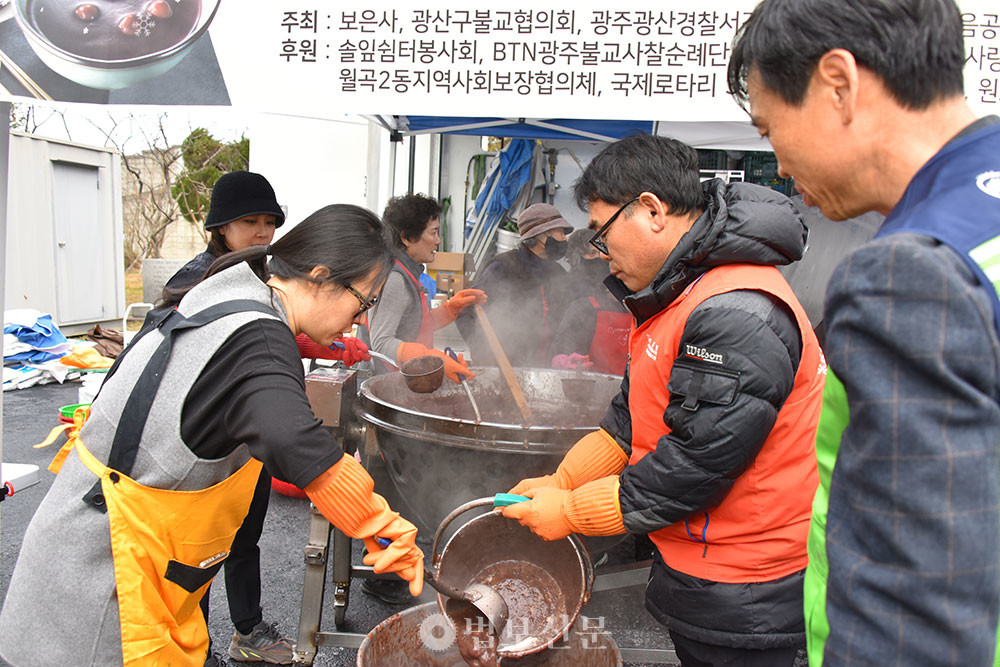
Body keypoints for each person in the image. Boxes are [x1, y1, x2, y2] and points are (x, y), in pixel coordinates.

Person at [0, 205, 424, 667]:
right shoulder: (258, 332)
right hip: (98, 587)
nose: (362, 319)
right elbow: (290, 437)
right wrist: (375, 521)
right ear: (320, 276)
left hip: (131, 565)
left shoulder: (238, 286)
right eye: (364, 302)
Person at [728, 1, 1000, 664]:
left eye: (770, 129)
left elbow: (914, 618)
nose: (781, 167)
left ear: (838, 84)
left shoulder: (911, 274)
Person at [502, 133, 826, 666]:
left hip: (746, 581)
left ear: (651, 211)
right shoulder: (682, 292)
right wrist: (563, 479)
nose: (602, 258)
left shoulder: (733, 309)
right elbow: (628, 421)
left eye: (602, 235)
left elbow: (697, 463)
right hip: (705, 560)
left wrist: (573, 511)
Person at [160, 171, 369, 664]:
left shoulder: (264, 274)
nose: (262, 231)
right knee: (200, 549)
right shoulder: (196, 283)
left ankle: (247, 632)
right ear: (221, 227)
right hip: (207, 437)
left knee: (245, 535)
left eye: (269, 221)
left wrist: (332, 345)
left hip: (248, 434)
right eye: (249, 221)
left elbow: (280, 326)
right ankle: (198, 646)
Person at [358, 192, 484, 383]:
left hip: (408, 380)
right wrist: (430, 358)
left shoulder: (410, 272)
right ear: (407, 238)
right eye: (433, 233)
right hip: (387, 384)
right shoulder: (394, 278)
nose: (438, 240)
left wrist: (451, 309)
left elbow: (413, 325)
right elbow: (382, 343)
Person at [456, 203, 573, 368]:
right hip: (506, 369)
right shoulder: (504, 266)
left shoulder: (558, 273)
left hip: (545, 369)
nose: (564, 239)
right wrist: (484, 350)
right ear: (541, 236)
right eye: (560, 232)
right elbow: (466, 309)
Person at [549, 228, 630, 375]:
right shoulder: (565, 288)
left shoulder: (615, 285)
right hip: (583, 372)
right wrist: (564, 360)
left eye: (600, 252)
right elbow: (560, 339)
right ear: (576, 256)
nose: (598, 258)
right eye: (591, 254)